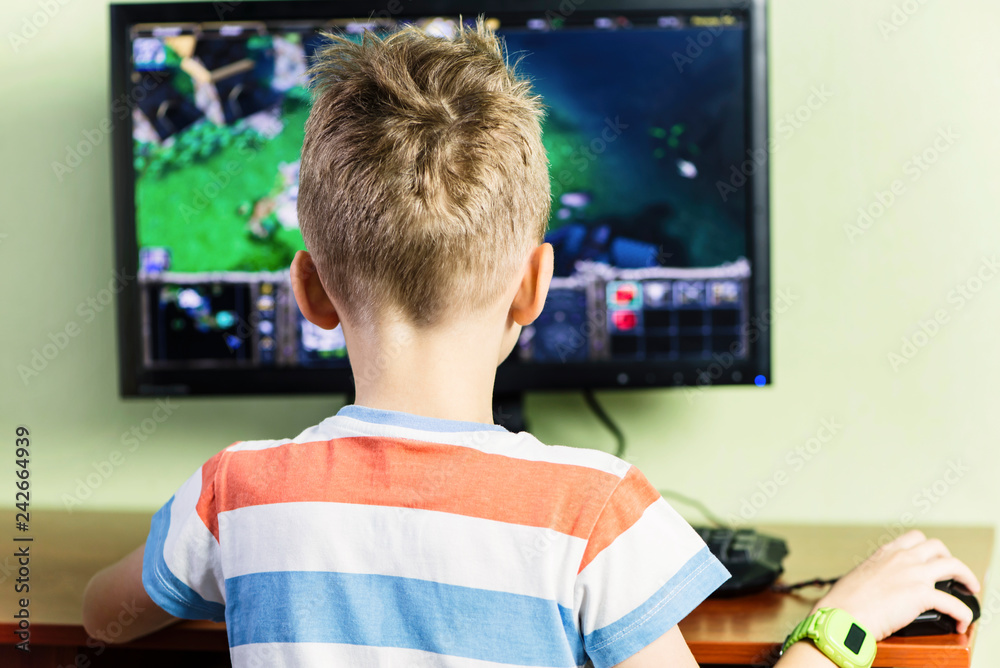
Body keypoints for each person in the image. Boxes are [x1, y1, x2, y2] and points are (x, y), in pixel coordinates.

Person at [83, 20, 980, 667]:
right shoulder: (594, 516)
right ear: (536, 286)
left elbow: (100, 618)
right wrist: (841, 625)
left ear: (309, 290)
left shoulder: (234, 495)